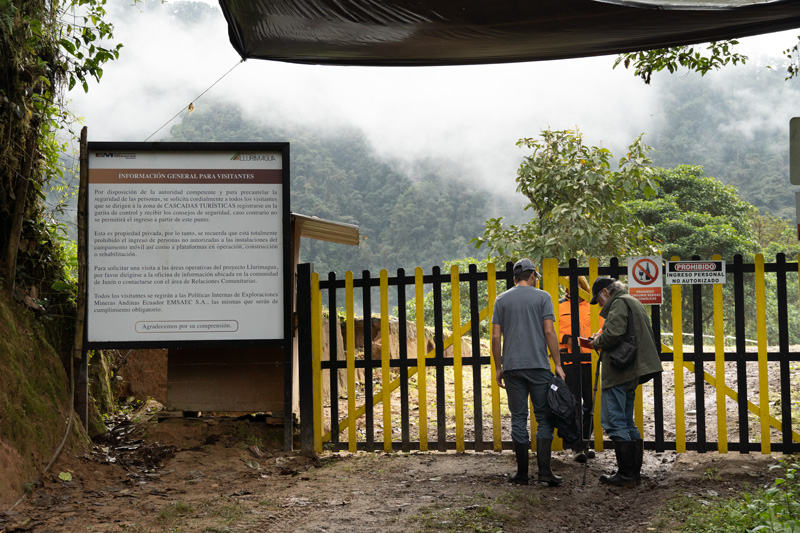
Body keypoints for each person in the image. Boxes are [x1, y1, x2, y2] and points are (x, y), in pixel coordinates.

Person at [492, 258, 566, 486]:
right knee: (543, 417)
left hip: (513, 367)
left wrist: (498, 367)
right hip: (539, 366)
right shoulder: (543, 297)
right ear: (533, 275)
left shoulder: (501, 299)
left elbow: (495, 336)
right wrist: (557, 363)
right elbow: (549, 332)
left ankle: (522, 473)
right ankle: (544, 472)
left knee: (518, 417)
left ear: (515, 278)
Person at [588, 277, 663, 487]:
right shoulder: (633, 300)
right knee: (628, 421)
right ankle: (632, 473)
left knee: (615, 421)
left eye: (598, 299)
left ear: (605, 292)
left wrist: (597, 341)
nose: (599, 305)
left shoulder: (619, 303)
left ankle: (626, 475)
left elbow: (614, 333)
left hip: (619, 371)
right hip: (632, 369)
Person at [558, 276, 604, 463]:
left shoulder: (593, 307)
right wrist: (566, 338)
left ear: (584, 286)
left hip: (590, 360)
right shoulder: (559, 306)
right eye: (570, 285)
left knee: (591, 404)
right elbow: (550, 329)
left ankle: (585, 440)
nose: (574, 288)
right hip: (568, 361)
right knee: (573, 404)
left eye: (578, 285)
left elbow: (603, 328)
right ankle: (577, 447)